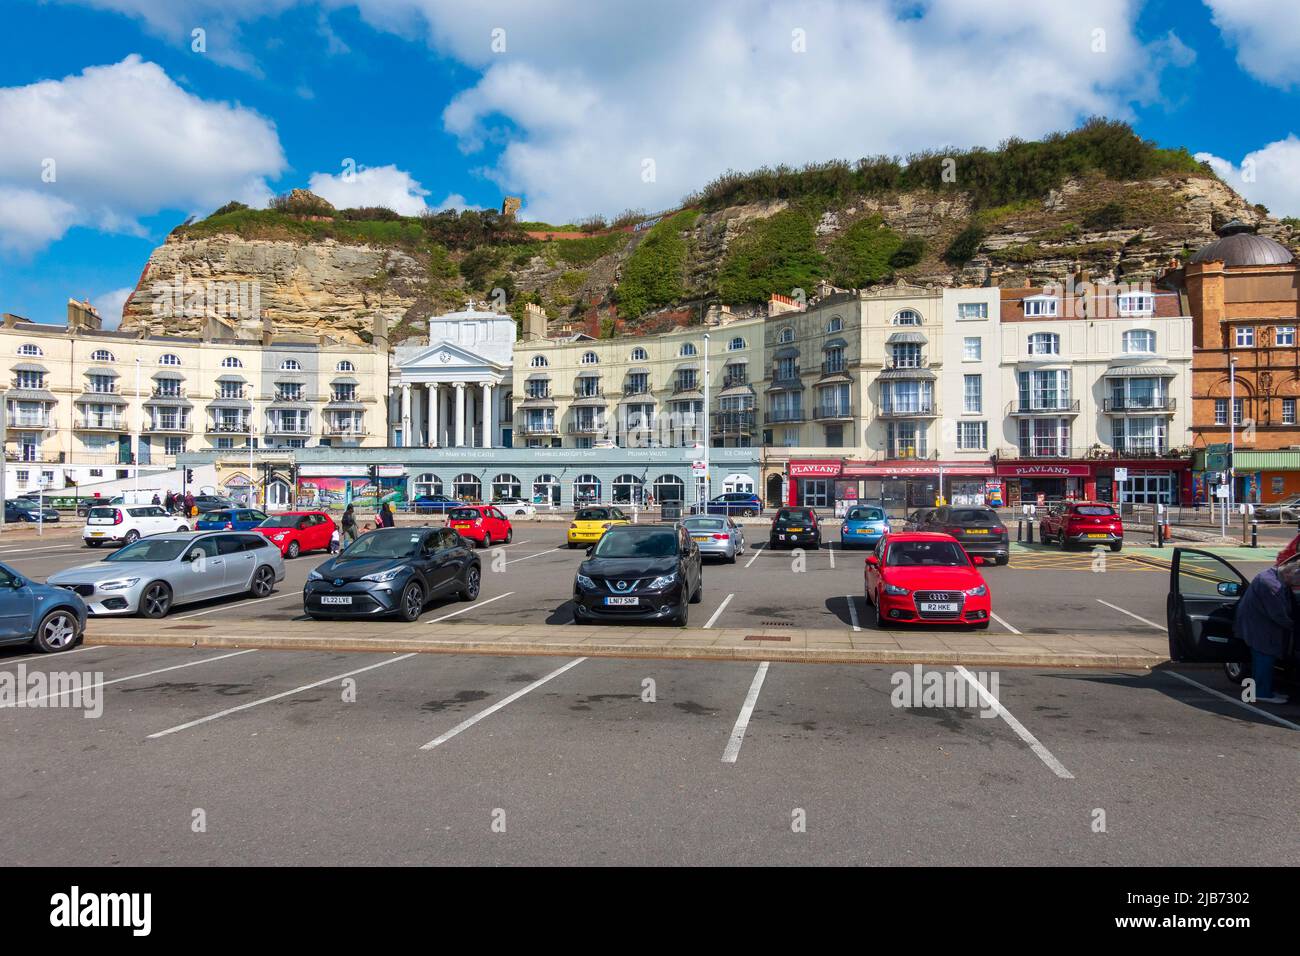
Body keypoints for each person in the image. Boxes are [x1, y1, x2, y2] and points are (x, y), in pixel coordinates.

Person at [1233, 562, 1298, 704]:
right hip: (1260, 626)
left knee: (1261, 658)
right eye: (1294, 582)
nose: (1294, 585)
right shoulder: (1272, 586)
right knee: (1264, 658)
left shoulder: (1271, 574)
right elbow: (1278, 614)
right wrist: (1293, 626)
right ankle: (1261, 693)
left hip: (1257, 623)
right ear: (1288, 574)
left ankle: (1262, 690)